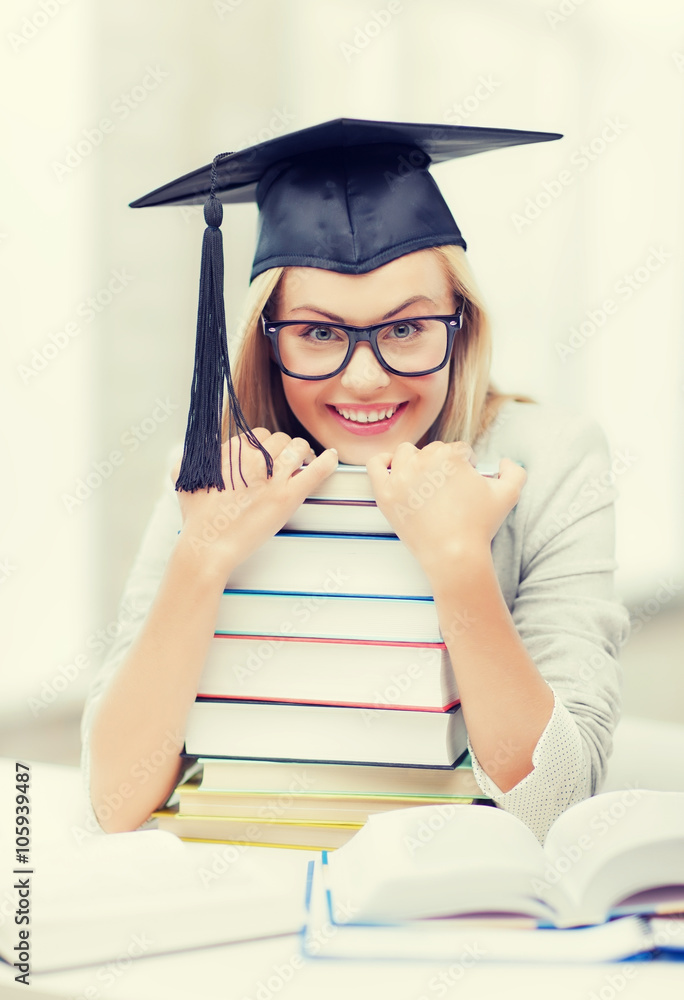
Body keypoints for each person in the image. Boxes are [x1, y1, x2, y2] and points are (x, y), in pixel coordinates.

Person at [81, 118, 630, 843]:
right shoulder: (222, 468)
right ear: (266, 341)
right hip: (247, 876)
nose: (365, 378)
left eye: (405, 329)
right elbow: (115, 800)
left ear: (459, 326)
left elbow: (556, 806)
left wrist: (461, 562)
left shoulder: (552, 458)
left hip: (454, 893)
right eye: (318, 333)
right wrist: (203, 555)